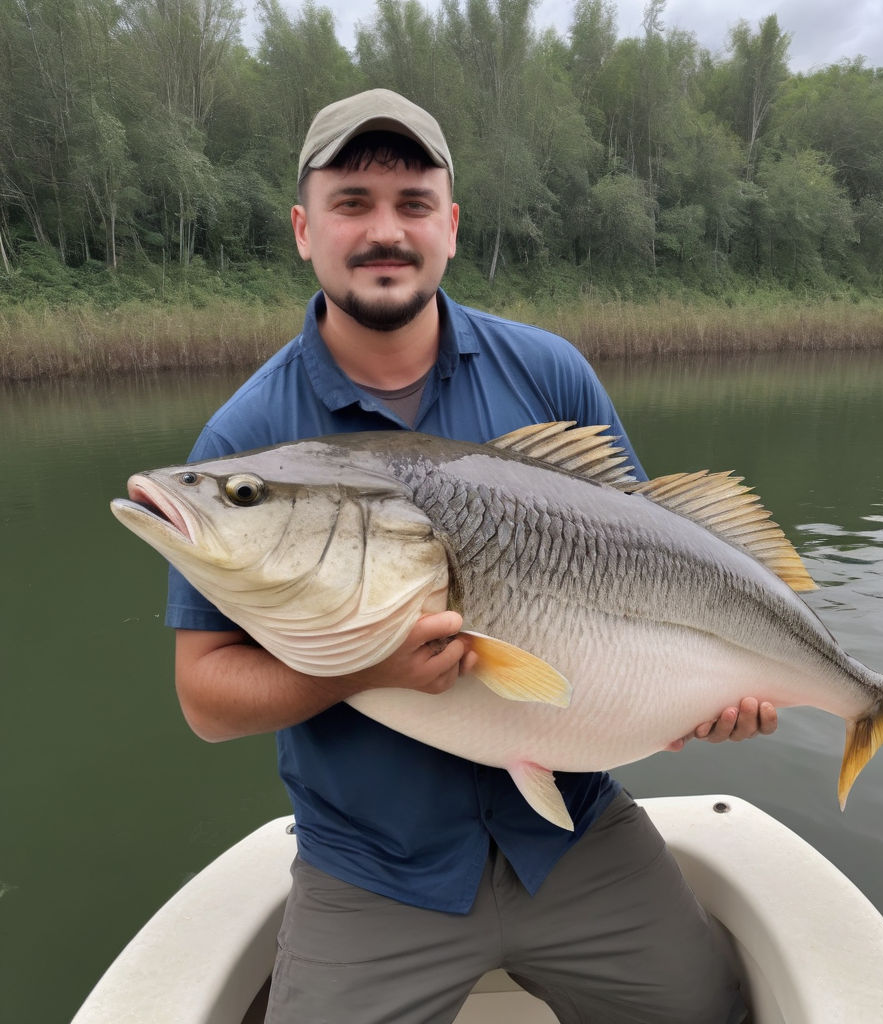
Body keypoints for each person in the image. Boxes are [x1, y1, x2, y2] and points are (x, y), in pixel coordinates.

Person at [167, 88, 777, 1024]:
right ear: (304, 228)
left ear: (450, 227)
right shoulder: (246, 439)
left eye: (413, 204)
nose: (386, 231)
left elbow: (662, 569)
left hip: (574, 832)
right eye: (352, 202)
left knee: (709, 1008)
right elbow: (206, 698)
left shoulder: (552, 374)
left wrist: (701, 696)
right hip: (374, 864)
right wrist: (365, 669)